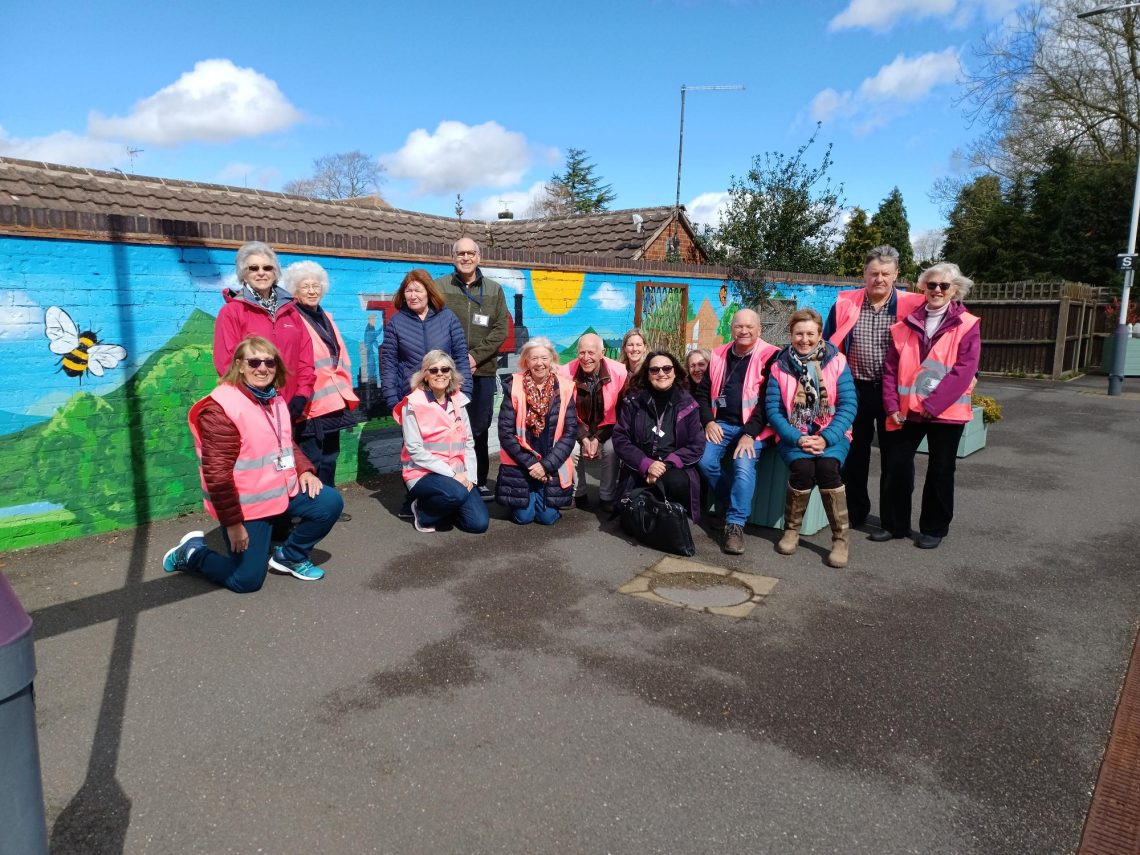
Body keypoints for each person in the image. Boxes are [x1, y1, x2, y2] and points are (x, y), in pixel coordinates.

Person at [162, 336, 343, 591]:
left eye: (269, 362)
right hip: (247, 505)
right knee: (246, 581)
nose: (262, 368)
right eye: (254, 361)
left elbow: (284, 442)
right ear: (240, 365)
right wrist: (234, 524)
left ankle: (290, 556)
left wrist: (304, 469)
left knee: (329, 502)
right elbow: (218, 475)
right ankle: (192, 554)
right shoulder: (221, 408)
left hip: (280, 489)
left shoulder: (273, 398)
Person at [877, 263, 981, 549]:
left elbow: (964, 371)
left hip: (946, 413)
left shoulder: (968, 325)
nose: (936, 290)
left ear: (955, 290)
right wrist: (890, 405)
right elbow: (890, 369)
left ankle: (934, 528)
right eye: (931, 285)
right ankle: (894, 525)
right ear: (923, 287)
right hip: (905, 411)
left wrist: (933, 405)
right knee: (896, 467)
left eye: (944, 286)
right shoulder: (904, 325)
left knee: (941, 470)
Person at [822, 245, 925, 530]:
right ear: (864, 274)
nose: (879, 278)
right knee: (855, 455)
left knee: (897, 459)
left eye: (885, 273)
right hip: (854, 390)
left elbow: (945, 335)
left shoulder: (913, 305)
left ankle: (895, 523)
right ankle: (855, 514)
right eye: (873, 273)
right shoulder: (845, 303)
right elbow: (828, 346)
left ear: (896, 275)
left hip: (895, 394)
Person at [765, 309, 857, 568]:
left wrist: (827, 438)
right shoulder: (779, 366)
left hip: (832, 433)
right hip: (795, 435)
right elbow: (773, 410)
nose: (804, 339)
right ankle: (792, 530)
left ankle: (840, 539)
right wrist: (797, 438)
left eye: (810, 334)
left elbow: (849, 405)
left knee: (828, 469)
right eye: (798, 334)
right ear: (790, 335)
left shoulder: (837, 362)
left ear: (819, 335)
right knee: (803, 468)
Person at [695, 309, 780, 555]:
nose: (744, 331)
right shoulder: (719, 354)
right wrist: (709, 422)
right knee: (704, 459)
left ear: (759, 330)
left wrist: (750, 434)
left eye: (749, 327)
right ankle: (733, 504)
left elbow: (768, 401)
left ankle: (734, 525)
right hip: (721, 424)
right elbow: (703, 395)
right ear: (731, 329)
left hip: (755, 429)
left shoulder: (771, 356)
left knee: (743, 465)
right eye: (739, 326)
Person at [434, 239, 510, 500]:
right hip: (447, 374)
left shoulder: (494, 290)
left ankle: (478, 480)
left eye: (470, 253)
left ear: (479, 257)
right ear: (453, 257)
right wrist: (454, 360)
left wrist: (475, 357)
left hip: (483, 371)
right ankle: (448, 477)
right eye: (460, 253)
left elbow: (501, 328)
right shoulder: (440, 287)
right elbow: (432, 324)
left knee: (478, 427)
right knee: (448, 427)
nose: (465, 257)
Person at [282, 261, 360, 499]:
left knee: (330, 456)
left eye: (316, 285)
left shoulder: (325, 316)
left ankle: (329, 500)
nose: (312, 291)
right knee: (311, 458)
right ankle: (310, 506)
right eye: (305, 286)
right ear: (295, 290)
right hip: (308, 403)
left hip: (332, 400)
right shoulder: (292, 318)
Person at [213, 241, 315, 424]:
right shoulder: (232, 312)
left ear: (275, 273)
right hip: (252, 410)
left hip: (291, 408)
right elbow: (226, 364)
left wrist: (302, 395)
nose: (261, 272)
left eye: (267, 267)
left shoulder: (291, 312)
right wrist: (254, 400)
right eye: (253, 268)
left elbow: (305, 358)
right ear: (244, 274)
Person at [392, 350, 489, 535]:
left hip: (457, 474)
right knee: (455, 494)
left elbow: (468, 443)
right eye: (433, 370)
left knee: (478, 524)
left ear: (451, 373)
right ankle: (422, 512)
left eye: (445, 369)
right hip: (422, 473)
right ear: (425, 376)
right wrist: (453, 475)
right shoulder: (412, 404)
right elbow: (415, 450)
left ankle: (445, 508)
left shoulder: (458, 400)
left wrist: (471, 478)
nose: (440, 374)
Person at [612, 351, 706, 522]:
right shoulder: (633, 401)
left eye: (667, 368)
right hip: (639, 465)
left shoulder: (689, 403)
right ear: (647, 375)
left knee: (675, 483)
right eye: (654, 370)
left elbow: (696, 444)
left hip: (673, 467)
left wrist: (664, 465)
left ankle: (662, 515)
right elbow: (620, 439)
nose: (661, 373)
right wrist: (647, 464)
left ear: (675, 371)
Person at [497, 338, 577, 525]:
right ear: (526, 361)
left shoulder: (564, 388)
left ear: (552, 360)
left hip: (551, 465)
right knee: (523, 518)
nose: (539, 363)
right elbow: (505, 432)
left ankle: (537, 496)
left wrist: (545, 466)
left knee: (547, 519)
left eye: (544, 358)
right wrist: (532, 465)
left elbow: (570, 432)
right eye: (534, 358)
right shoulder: (514, 387)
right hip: (522, 464)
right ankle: (529, 498)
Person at [381, 268, 471, 412]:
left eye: (418, 291)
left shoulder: (448, 318)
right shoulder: (395, 323)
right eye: (408, 291)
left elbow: (461, 357)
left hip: (446, 397)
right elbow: (389, 366)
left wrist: (465, 392)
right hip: (411, 399)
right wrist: (392, 400)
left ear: (429, 292)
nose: (413, 296)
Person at [558, 332, 628, 512]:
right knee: (570, 448)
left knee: (611, 449)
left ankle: (607, 496)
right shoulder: (565, 373)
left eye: (591, 352)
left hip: (608, 429)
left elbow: (621, 412)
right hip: (577, 428)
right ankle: (577, 494)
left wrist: (597, 438)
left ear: (602, 352)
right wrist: (584, 437)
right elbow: (566, 412)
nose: (586, 358)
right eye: (582, 352)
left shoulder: (620, 372)